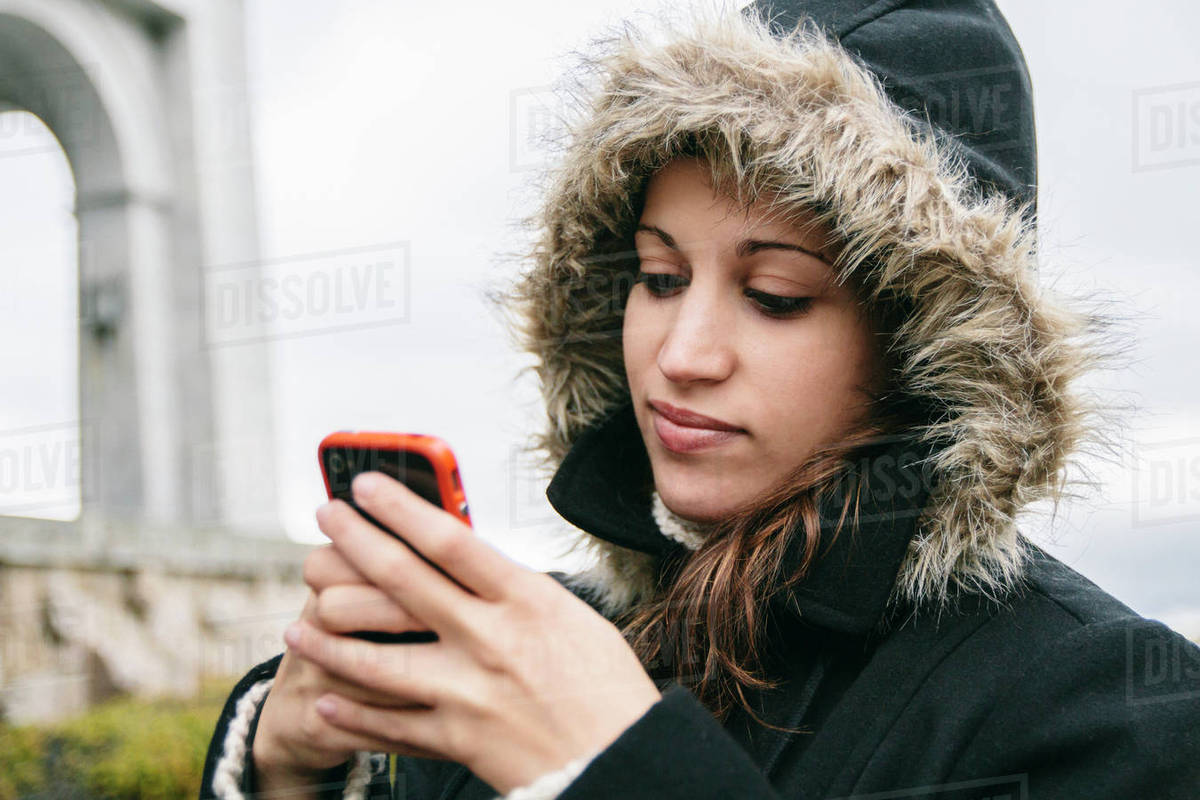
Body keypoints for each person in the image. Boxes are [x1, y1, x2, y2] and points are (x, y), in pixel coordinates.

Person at [199, 1, 1200, 798]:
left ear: (924, 341)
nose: (680, 354)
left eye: (774, 296)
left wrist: (611, 760)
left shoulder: (1116, 711)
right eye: (659, 277)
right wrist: (296, 770)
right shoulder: (525, 645)